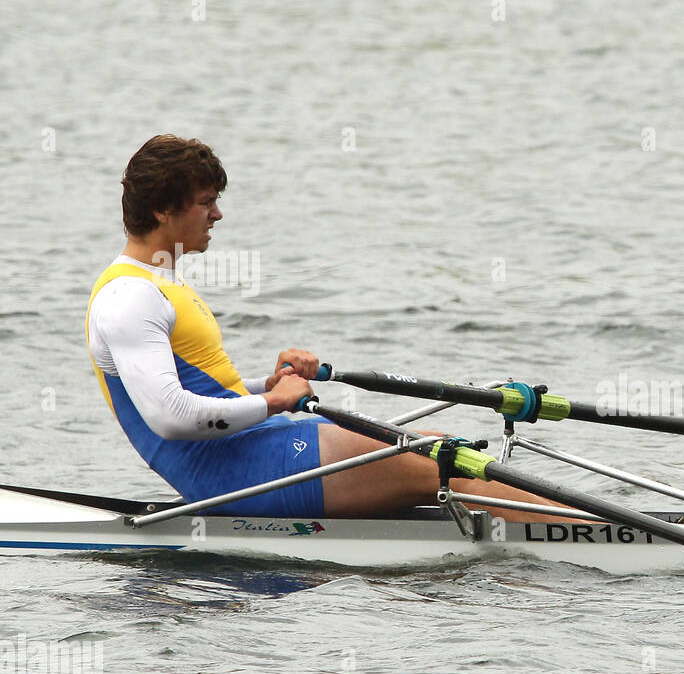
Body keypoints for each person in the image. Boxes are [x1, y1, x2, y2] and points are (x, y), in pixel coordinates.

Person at [87, 134, 569, 519]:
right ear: (161, 210)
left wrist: (269, 385)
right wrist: (274, 401)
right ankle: (609, 540)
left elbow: (212, 392)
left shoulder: (158, 283)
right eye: (205, 202)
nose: (217, 214)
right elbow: (170, 417)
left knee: (446, 456)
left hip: (259, 450)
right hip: (242, 473)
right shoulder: (129, 297)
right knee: (453, 466)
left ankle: (581, 536)